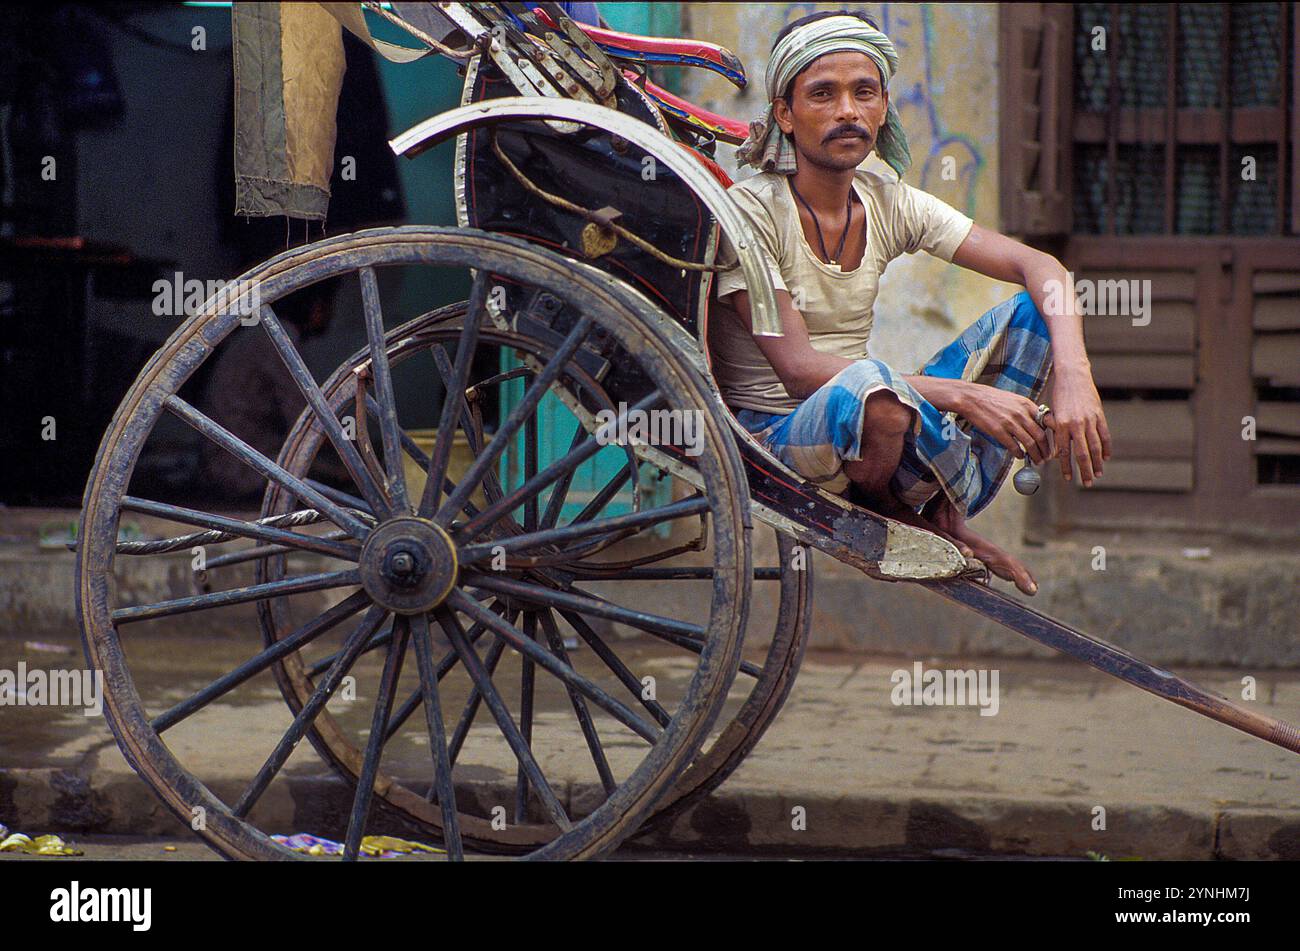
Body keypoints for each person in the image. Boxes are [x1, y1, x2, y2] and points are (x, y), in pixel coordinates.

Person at [710, 10, 1111, 596]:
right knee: (876, 390)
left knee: (1034, 312)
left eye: (863, 92)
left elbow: (1041, 267)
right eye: (823, 93)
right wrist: (967, 396)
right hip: (772, 437)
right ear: (785, 115)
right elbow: (798, 371)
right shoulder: (749, 213)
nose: (848, 110)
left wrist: (1076, 378)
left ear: (883, 107)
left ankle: (940, 506)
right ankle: (891, 516)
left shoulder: (887, 201)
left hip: (875, 426)